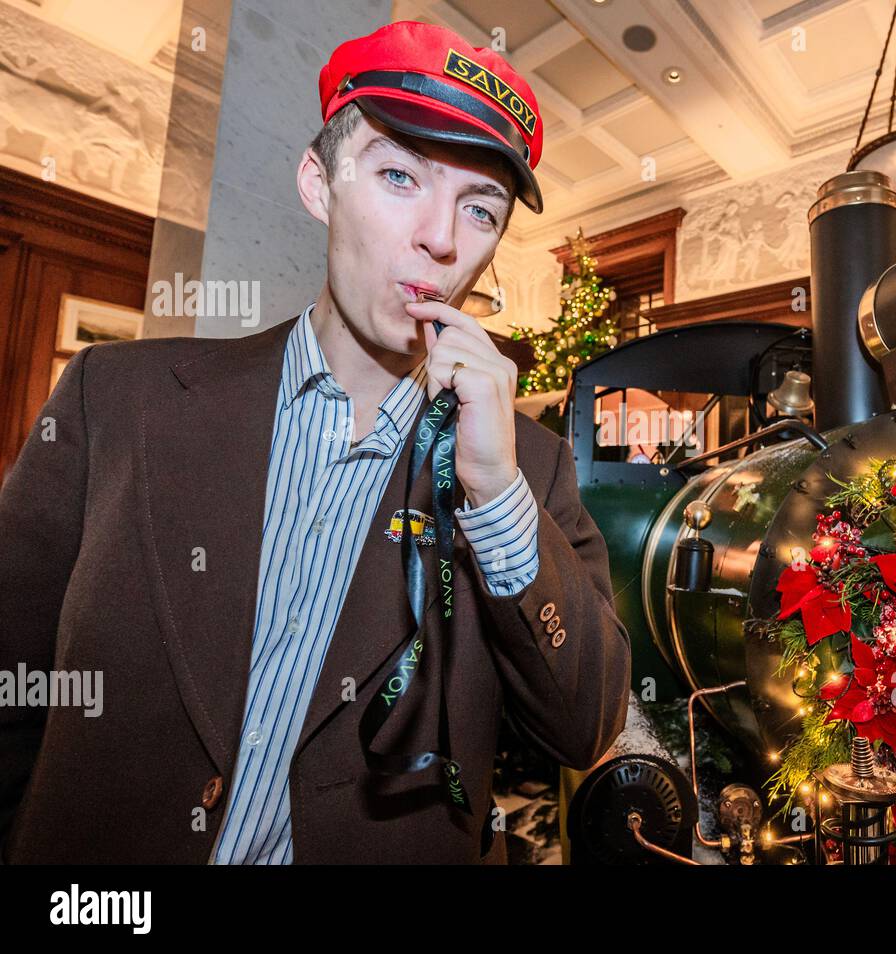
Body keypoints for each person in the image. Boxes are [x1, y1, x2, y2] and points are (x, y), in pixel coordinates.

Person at [0, 21, 631, 864]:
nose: (441, 239)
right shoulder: (119, 398)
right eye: (400, 175)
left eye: (479, 208)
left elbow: (585, 724)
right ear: (319, 182)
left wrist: (495, 493)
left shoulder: (528, 469)